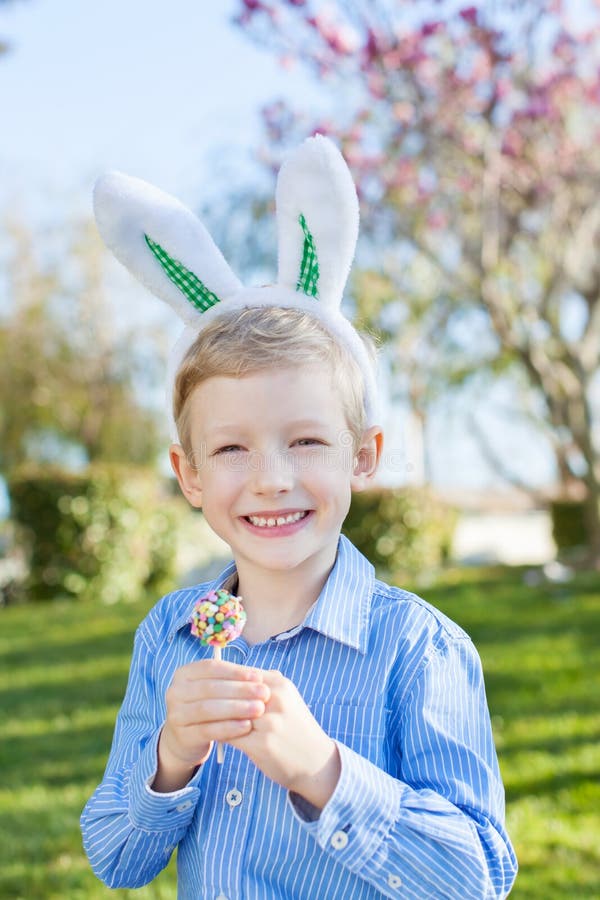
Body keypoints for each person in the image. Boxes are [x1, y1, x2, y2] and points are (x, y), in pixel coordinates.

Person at [81, 136, 518, 899]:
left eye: (307, 441)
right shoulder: (169, 636)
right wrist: (170, 761)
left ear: (363, 455)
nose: (271, 480)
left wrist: (324, 772)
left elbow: (478, 877)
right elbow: (116, 860)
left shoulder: (419, 649)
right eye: (231, 449)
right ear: (188, 474)